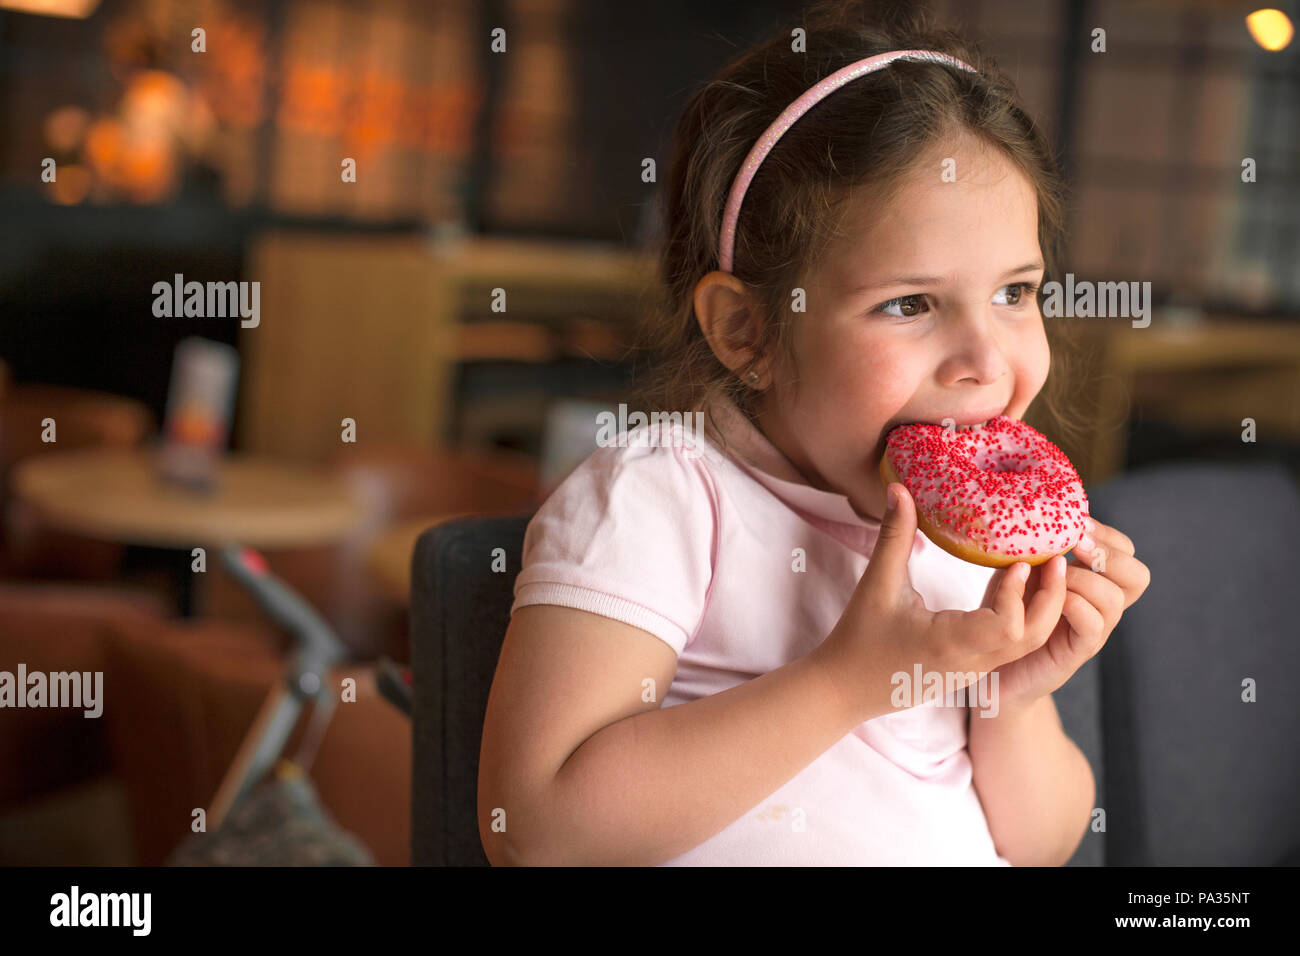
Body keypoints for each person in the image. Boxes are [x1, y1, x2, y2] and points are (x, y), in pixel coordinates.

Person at [478, 2, 1151, 866]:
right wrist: (847, 683)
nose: (985, 358)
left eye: (1016, 293)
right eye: (910, 304)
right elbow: (536, 831)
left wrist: (1011, 701)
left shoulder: (957, 542)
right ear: (748, 331)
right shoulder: (664, 496)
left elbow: (1041, 845)